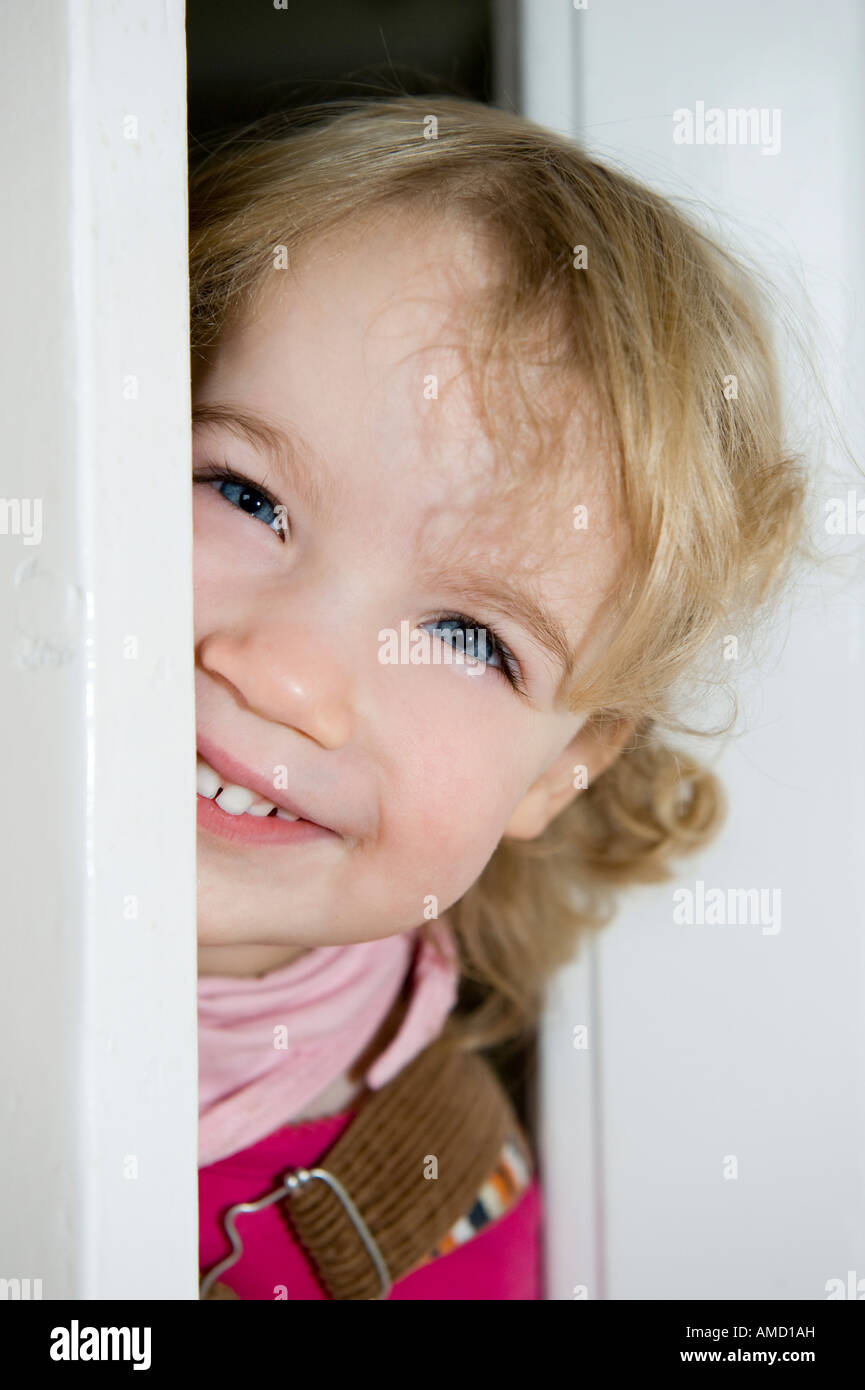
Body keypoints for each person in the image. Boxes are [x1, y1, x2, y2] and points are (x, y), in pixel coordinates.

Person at [191, 94, 808, 1299]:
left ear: (560, 771)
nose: (290, 673)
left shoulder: (434, 1215)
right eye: (243, 493)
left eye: (470, 636)